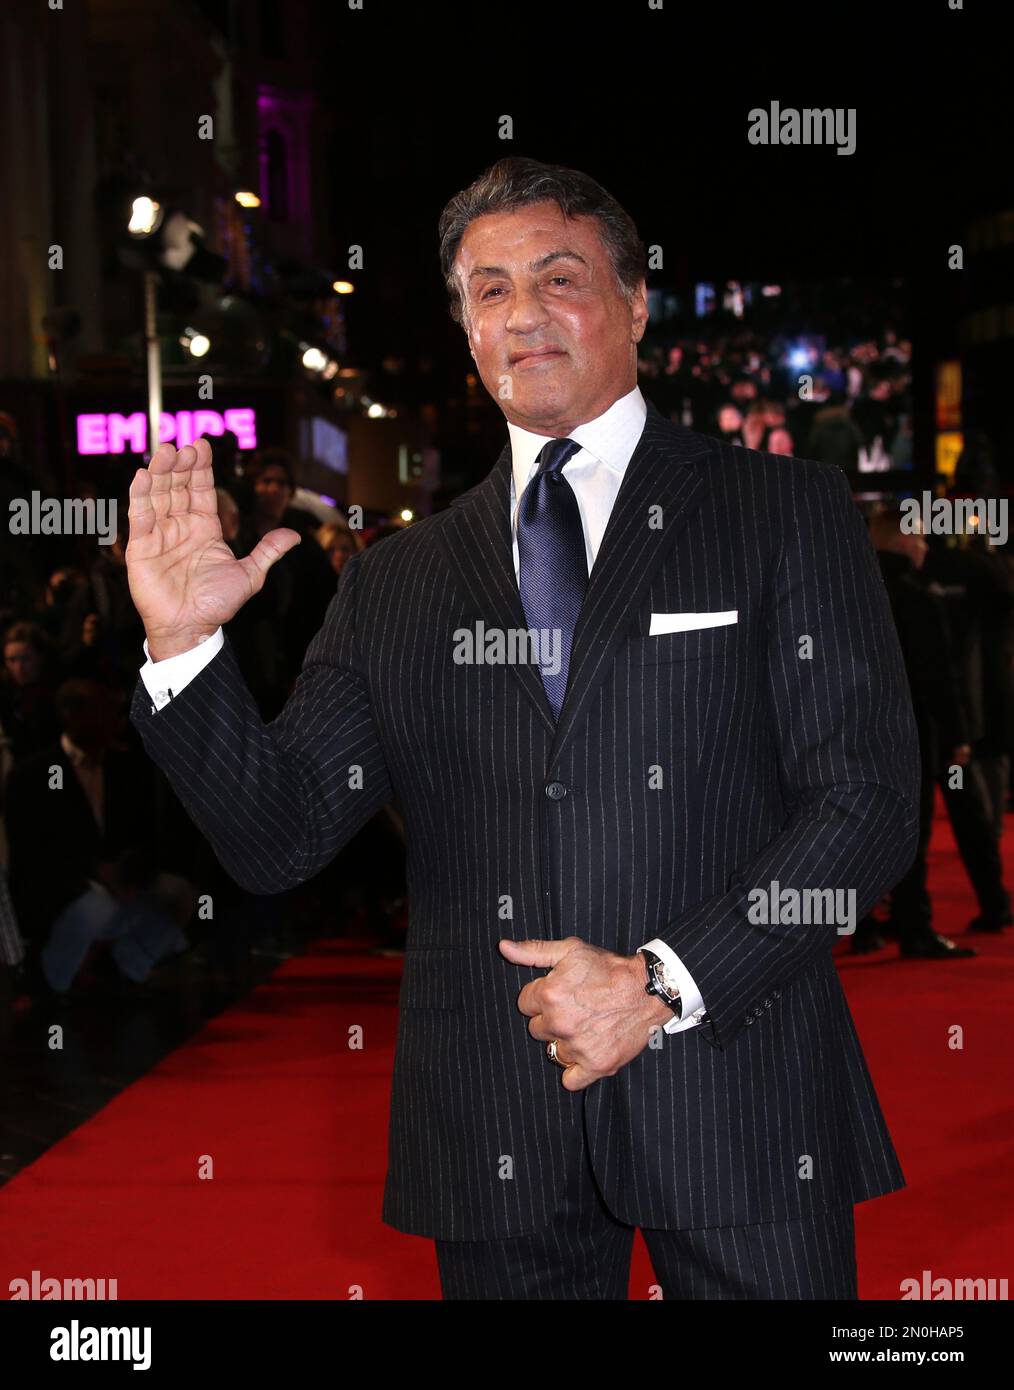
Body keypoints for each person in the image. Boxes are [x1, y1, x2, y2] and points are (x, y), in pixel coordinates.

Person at [123, 157, 919, 1301]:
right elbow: (281, 836)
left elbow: (870, 801)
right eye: (488, 290)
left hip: (742, 1087)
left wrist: (663, 979)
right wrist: (183, 650)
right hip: (494, 1118)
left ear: (636, 303)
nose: (525, 313)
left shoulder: (778, 510)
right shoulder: (400, 579)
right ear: (465, 330)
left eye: (560, 277)